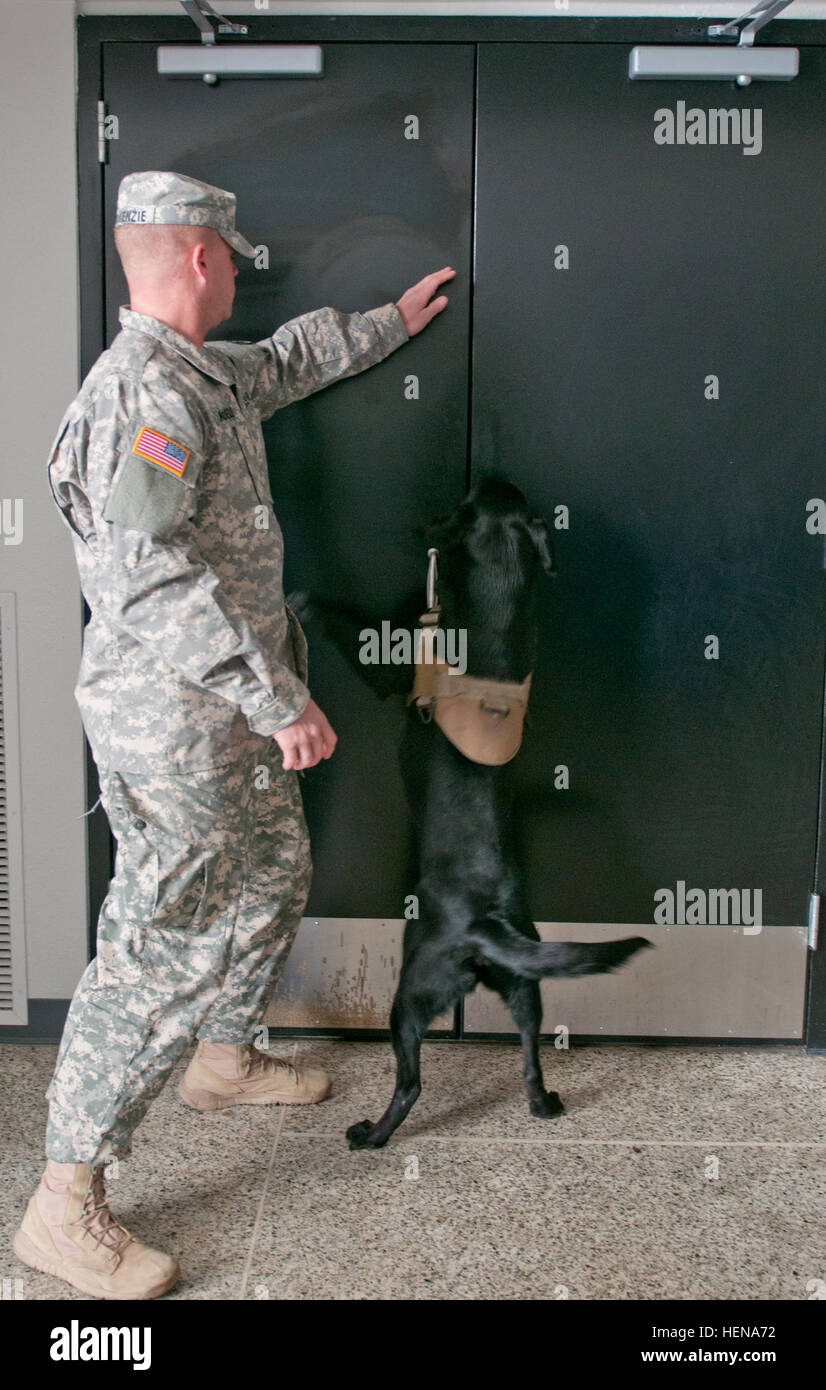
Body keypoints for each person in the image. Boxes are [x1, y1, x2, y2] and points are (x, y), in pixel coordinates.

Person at [13, 171, 455, 1300]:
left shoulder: (200, 374)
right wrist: (276, 698)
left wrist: (385, 324)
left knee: (273, 871)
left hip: (228, 712)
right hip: (178, 722)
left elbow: (287, 362)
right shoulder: (144, 401)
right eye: (233, 257)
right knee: (156, 946)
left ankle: (222, 1057)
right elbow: (143, 582)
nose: (242, 271)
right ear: (204, 258)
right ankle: (64, 1204)